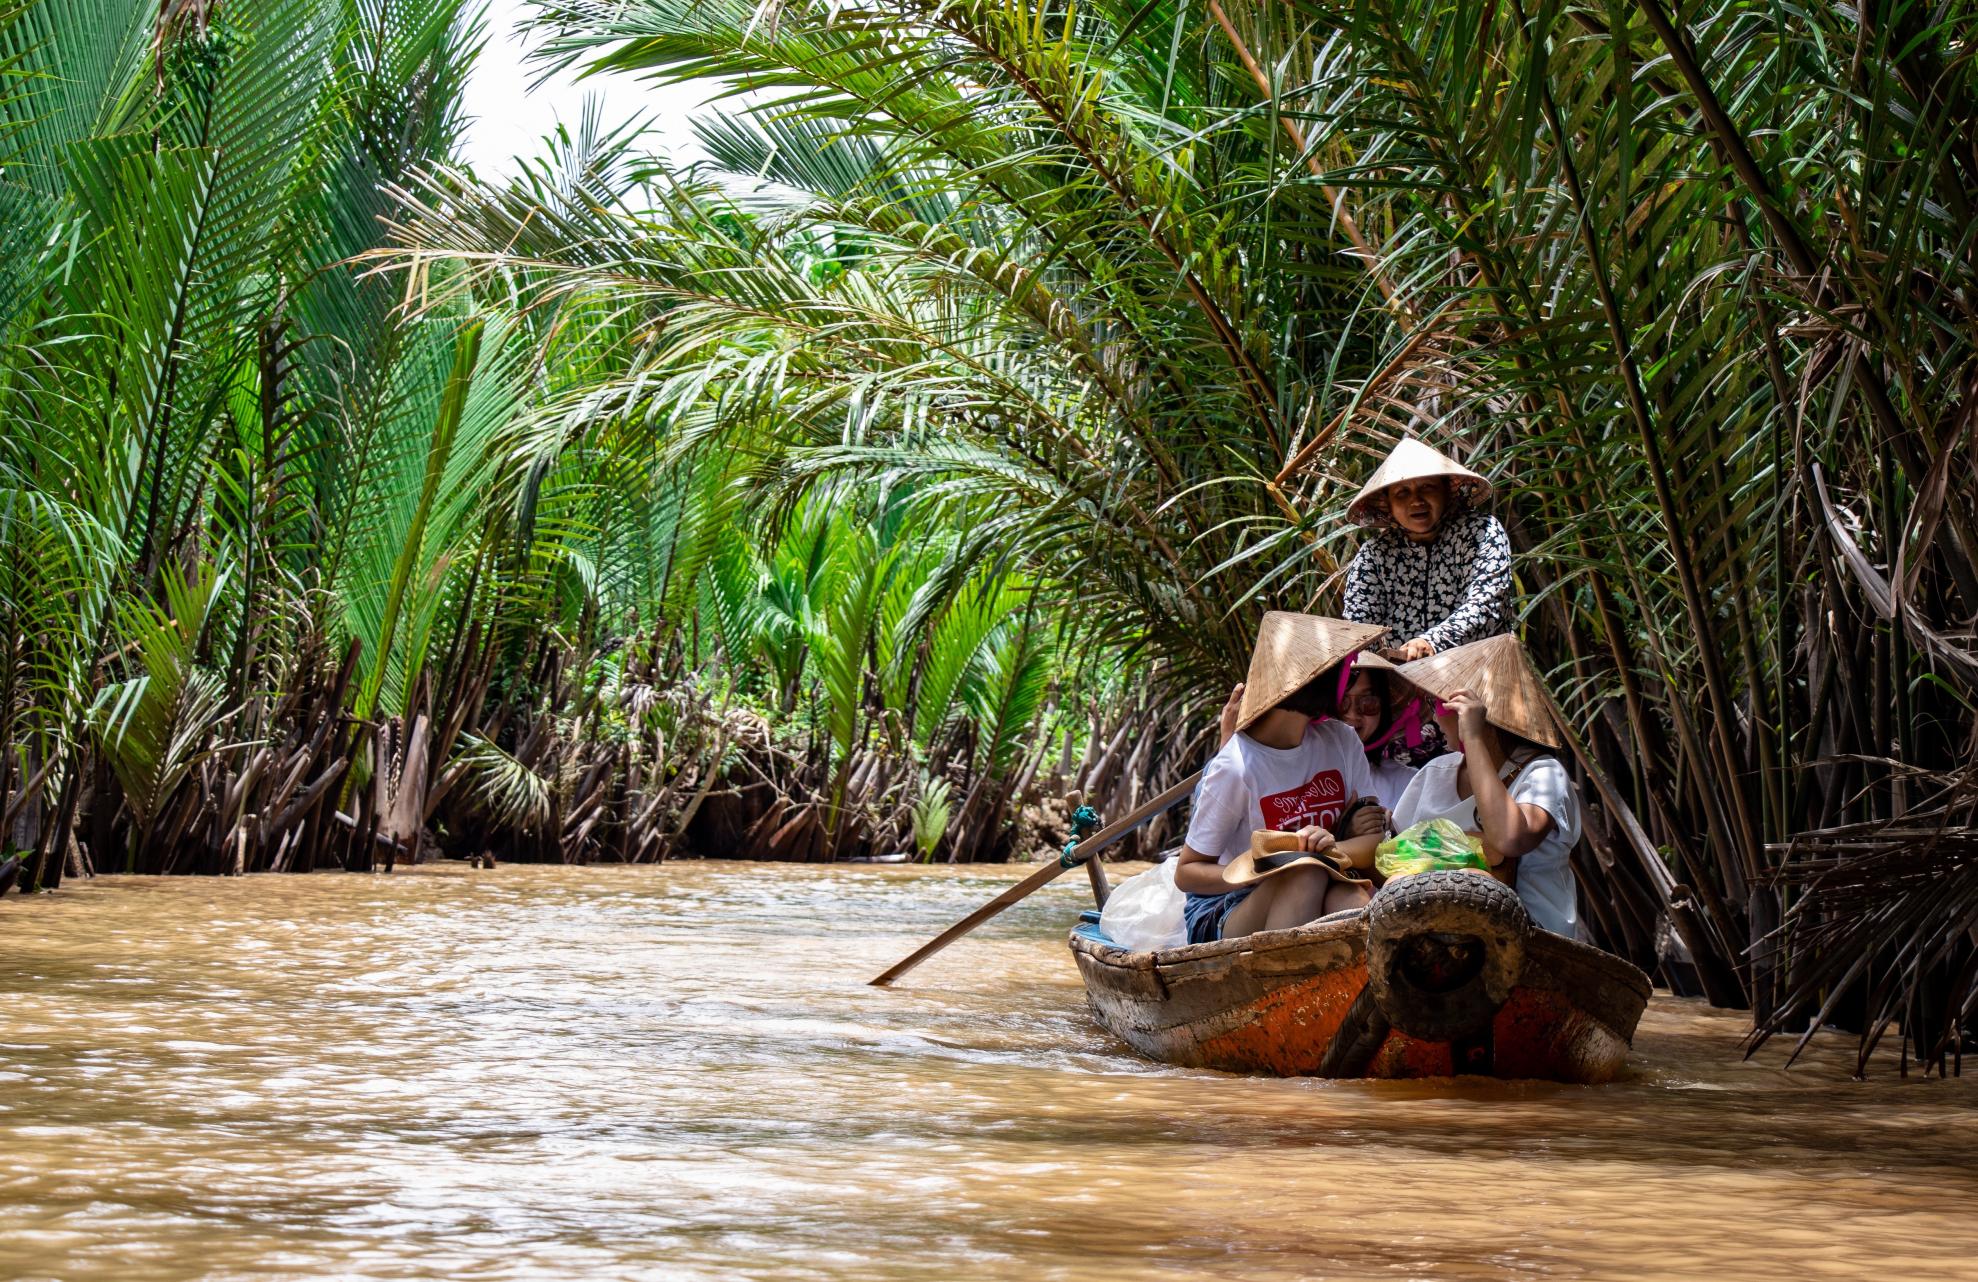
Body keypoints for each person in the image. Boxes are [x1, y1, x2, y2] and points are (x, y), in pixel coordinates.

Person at [1177, 613, 1388, 945]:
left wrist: (1327, 847)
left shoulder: (1341, 741)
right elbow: (1187, 873)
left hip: (1325, 877)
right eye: (1344, 672)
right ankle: (1278, 973)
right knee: (1305, 873)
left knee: (1347, 898)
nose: (1348, 682)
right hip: (1226, 906)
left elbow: (1374, 841)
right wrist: (1266, 867)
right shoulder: (1236, 766)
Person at [1388, 635, 1583, 938]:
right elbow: (1397, 857)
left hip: (1529, 937)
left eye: (1438, 704)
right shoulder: (1436, 772)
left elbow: (1509, 839)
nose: (1434, 717)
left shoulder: (1542, 773)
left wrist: (1474, 738)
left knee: (1471, 883)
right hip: (1429, 933)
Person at [1341, 436, 1512, 665]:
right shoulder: (1375, 555)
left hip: (1479, 673)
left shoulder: (1480, 531)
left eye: (1427, 488)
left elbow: (1488, 605)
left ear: (1446, 491)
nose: (1416, 501)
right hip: (1401, 680)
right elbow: (1359, 630)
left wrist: (1431, 642)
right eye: (1402, 493)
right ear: (1388, 504)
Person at [1218, 653, 1420, 814]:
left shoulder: (1411, 783)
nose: (1352, 714)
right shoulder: (1260, 770)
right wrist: (1229, 742)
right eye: (1342, 701)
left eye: (1368, 702)